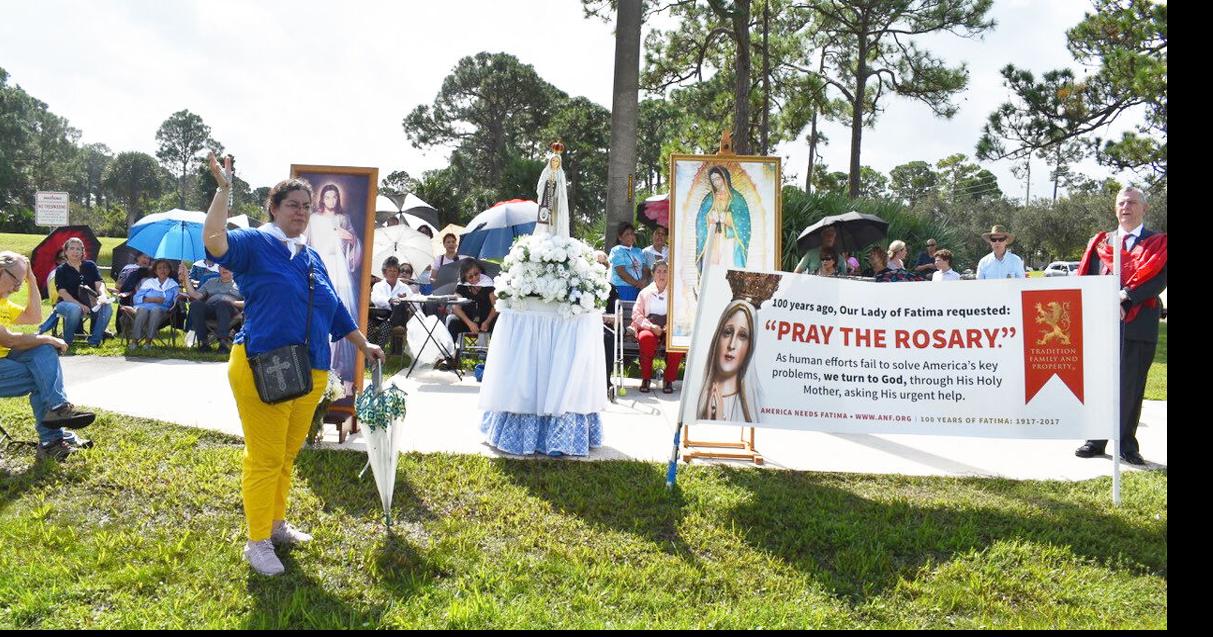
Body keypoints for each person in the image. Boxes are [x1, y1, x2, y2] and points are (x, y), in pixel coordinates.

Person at [202, 153, 385, 577]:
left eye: (306, 206)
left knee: (286, 455)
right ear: (274, 208)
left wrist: (363, 343)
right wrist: (224, 189)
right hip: (264, 365)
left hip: (312, 370)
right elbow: (214, 239)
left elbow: (335, 310)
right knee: (264, 458)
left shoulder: (311, 256)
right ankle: (257, 542)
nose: (301, 212)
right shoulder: (254, 244)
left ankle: (276, 524)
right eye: (293, 205)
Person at [1074, 187, 1167, 466]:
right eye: (1121, 202)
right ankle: (1096, 440)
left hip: (1139, 326)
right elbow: (1088, 278)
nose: (1126, 207)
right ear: (1115, 208)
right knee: (1100, 384)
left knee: (1131, 385)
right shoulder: (1101, 242)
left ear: (1144, 208)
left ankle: (1127, 444)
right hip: (1102, 325)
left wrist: (1125, 296)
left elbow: (1158, 280)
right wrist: (1101, 301)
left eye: (1132, 202)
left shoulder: (1158, 243)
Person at [0, 251, 96, 461]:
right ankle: (52, 439)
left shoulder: (3, 303)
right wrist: (49, 339)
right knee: (42, 372)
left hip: (5, 362)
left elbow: (34, 316)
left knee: (43, 353)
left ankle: (57, 409)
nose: (18, 287)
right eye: (16, 280)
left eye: (20, 282)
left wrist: (31, 279)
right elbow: (9, 340)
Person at [306, 183, 363, 393]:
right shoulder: (313, 218)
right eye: (327, 197)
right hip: (320, 265)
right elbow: (307, 241)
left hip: (339, 267)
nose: (331, 201)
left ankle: (338, 364)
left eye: (334, 197)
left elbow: (354, 242)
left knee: (341, 307)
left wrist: (349, 237)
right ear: (322, 198)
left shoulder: (343, 218)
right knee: (320, 310)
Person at [696, 298, 761, 423]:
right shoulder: (696, 394)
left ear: (750, 345)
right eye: (727, 332)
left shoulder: (755, 406)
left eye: (742, 336)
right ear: (717, 337)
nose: (732, 345)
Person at [631, 260, 683, 394]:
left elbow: (682, 313)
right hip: (650, 325)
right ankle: (646, 379)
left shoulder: (676, 292)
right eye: (658, 271)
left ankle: (669, 380)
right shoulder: (645, 292)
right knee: (646, 339)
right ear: (653, 274)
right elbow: (636, 314)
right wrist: (651, 326)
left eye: (665, 271)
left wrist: (669, 326)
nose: (662, 275)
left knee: (676, 343)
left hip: (670, 326)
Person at [52, 237, 113, 348]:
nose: (75, 252)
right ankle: (67, 341)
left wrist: (103, 295)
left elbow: (99, 284)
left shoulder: (90, 265)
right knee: (75, 309)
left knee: (107, 306)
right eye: (72, 248)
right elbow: (63, 293)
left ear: (82, 251)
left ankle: (94, 341)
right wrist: (80, 305)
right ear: (66, 251)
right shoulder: (61, 269)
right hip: (67, 303)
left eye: (78, 249)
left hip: (91, 302)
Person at [695, 166, 751, 274]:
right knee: (713, 268)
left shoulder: (737, 198)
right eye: (713, 180)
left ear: (724, 177)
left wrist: (725, 217)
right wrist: (710, 217)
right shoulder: (709, 198)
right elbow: (701, 218)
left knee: (729, 265)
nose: (715, 182)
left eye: (717, 178)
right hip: (714, 238)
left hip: (730, 239)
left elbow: (743, 220)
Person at [182, 263, 243, 353]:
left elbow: (249, 302)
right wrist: (185, 278)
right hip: (212, 310)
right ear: (218, 269)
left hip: (232, 313)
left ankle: (223, 343)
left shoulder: (240, 284)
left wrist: (232, 302)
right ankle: (204, 342)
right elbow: (195, 295)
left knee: (223, 304)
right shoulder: (211, 282)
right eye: (222, 266)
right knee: (195, 304)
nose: (224, 269)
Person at [129, 259, 179, 348]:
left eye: (165, 268)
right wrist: (155, 299)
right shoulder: (149, 282)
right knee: (143, 310)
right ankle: (134, 341)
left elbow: (169, 301)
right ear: (155, 271)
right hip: (143, 307)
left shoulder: (173, 284)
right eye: (159, 268)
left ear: (169, 270)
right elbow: (136, 298)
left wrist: (149, 299)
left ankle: (148, 342)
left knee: (156, 310)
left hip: (163, 310)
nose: (162, 270)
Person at [448, 258, 498, 341]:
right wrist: (469, 323)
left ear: (480, 271)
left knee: (497, 321)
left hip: (486, 322)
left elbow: (495, 306)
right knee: (453, 322)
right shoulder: (462, 286)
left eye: (476, 274)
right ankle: (452, 351)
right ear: (465, 277)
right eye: (470, 277)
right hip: (468, 322)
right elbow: (455, 307)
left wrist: (487, 322)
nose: (474, 278)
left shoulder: (488, 284)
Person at [609, 222, 648, 301]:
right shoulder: (617, 250)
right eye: (627, 234)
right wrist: (637, 283)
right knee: (624, 312)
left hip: (639, 289)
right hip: (623, 288)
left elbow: (645, 268)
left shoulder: (638, 251)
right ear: (620, 237)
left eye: (632, 234)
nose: (631, 236)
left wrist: (643, 281)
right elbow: (621, 271)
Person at [36, 249, 67, 335]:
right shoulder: (54, 273)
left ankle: (42, 329)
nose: (65, 260)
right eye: (62, 258)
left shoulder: (77, 271)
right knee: (58, 307)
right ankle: (44, 330)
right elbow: (53, 292)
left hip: (73, 301)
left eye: (67, 257)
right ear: (57, 260)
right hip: (59, 300)